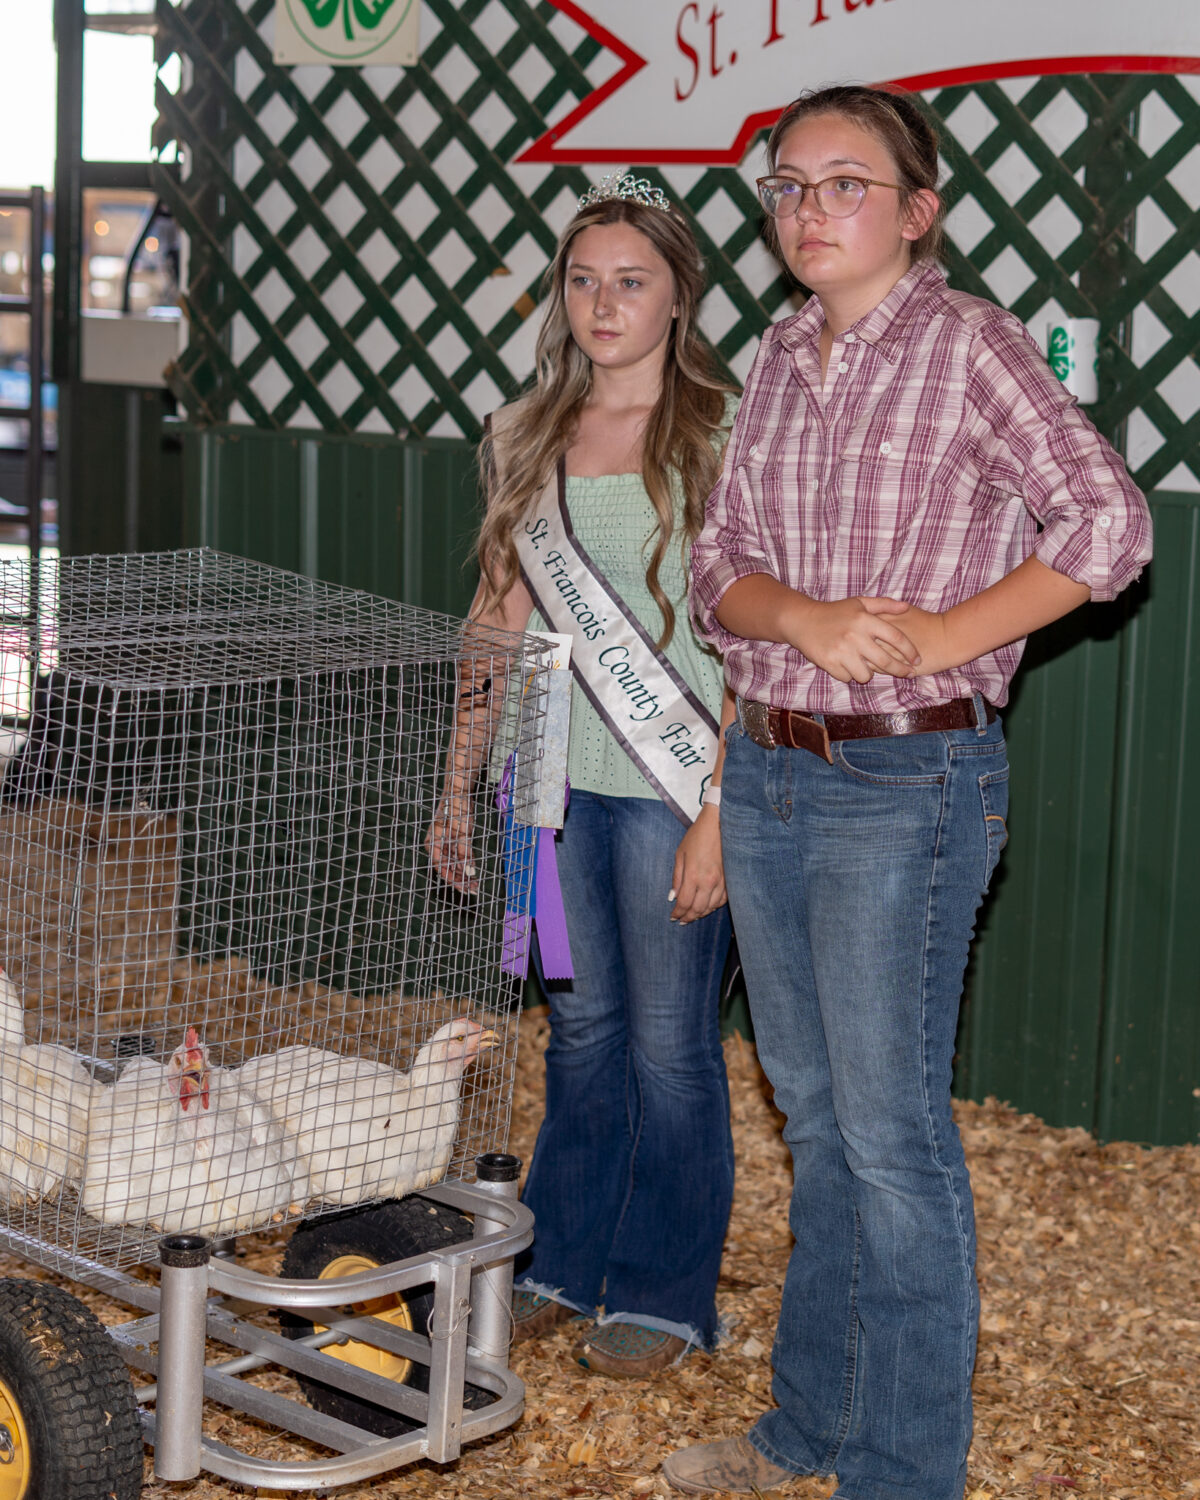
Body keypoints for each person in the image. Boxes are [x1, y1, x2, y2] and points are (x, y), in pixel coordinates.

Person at [663, 85, 1152, 1497]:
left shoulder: (972, 346)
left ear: (916, 211)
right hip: (769, 769)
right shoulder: (775, 353)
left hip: (905, 778)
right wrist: (805, 620)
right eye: (787, 187)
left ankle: (902, 1469)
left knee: (887, 1138)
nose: (808, 210)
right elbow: (719, 563)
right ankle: (805, 1432)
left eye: (845, 184)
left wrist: (946, 637)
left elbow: (1110, 524)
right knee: (818, 1125)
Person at [427, 175, 740, 1377]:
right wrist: (460, 779)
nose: (604, 304)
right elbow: (497, 613)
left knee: (671, 1047)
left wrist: (721, 807)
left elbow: (753, 641)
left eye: (632, 281)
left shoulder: (723, 432)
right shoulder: (526, 431)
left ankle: (664, 1294)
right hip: (544, 785)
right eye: (583, 280)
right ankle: (558, 1261)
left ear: (678, 297)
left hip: (670, 784)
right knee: (580, 1032)